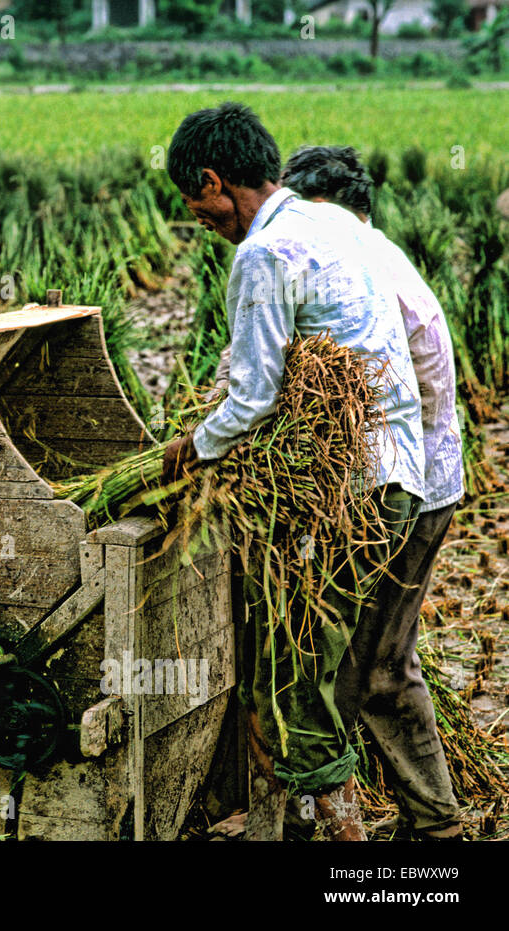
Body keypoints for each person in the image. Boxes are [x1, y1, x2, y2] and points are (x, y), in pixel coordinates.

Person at [161, 103, 426, 840]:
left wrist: (193, 444)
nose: (202, 221)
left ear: (214, 180)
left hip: (346, 495)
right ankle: (302, 819)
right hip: (400, 479)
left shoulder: (263, 255)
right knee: (314, 660)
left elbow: (252, 393)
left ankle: (347, 849)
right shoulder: (327, 222)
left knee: (289, 680)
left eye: (197, 206)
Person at [278, 145, 464, 840]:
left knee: (356, 668)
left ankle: (397, 827)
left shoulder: (350, 264)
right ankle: (426, 820)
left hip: (403, 485)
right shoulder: (372, 249)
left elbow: (374, 394)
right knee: (377, 659)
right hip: (424, 478)